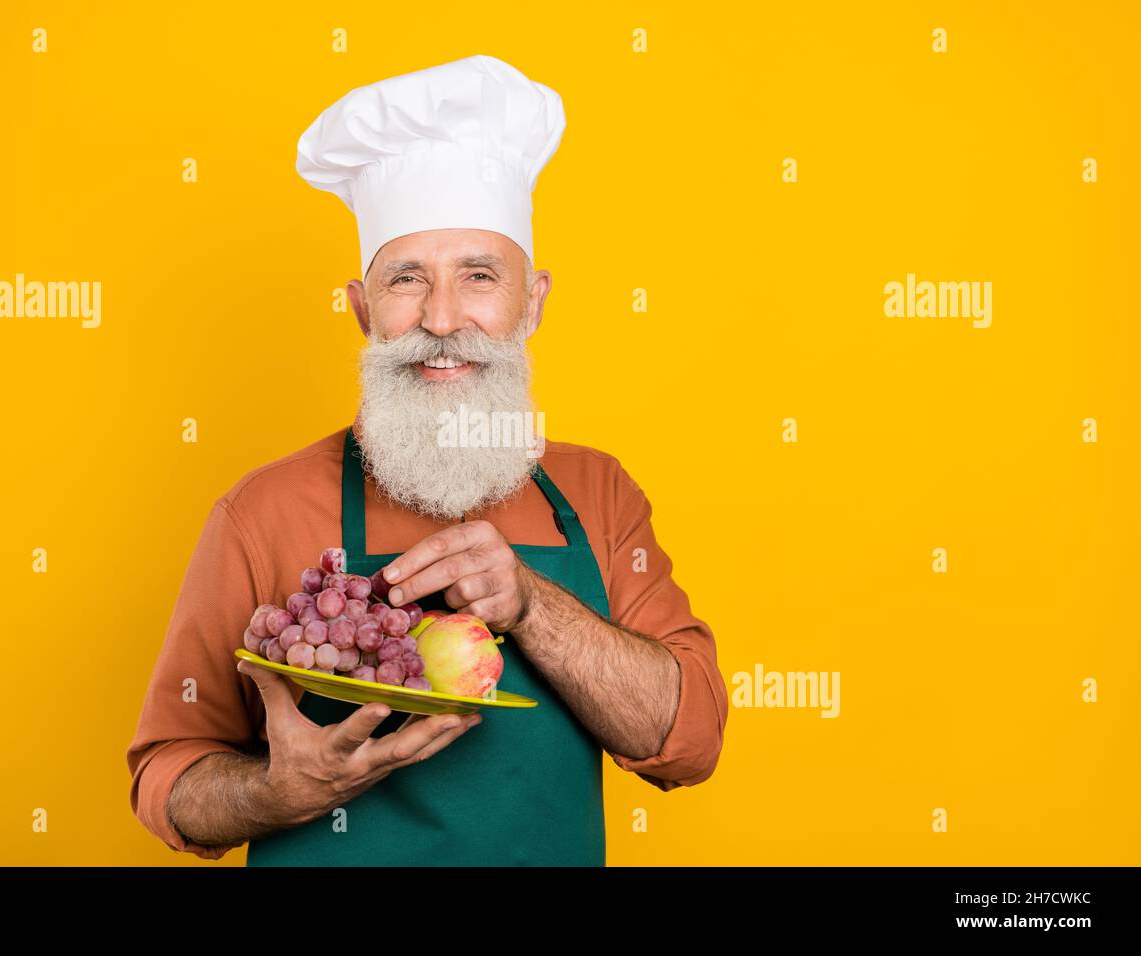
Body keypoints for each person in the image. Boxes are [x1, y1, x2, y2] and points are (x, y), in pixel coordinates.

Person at [126, 54, 728, 866]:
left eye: (480, 275)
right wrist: (273, 794)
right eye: (407, 280)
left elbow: (688, 741)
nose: (442, 319)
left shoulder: (597, 492)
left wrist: (530, 605)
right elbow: (168, 776)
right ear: (363, 307)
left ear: (533, 302)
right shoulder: (262, 511)